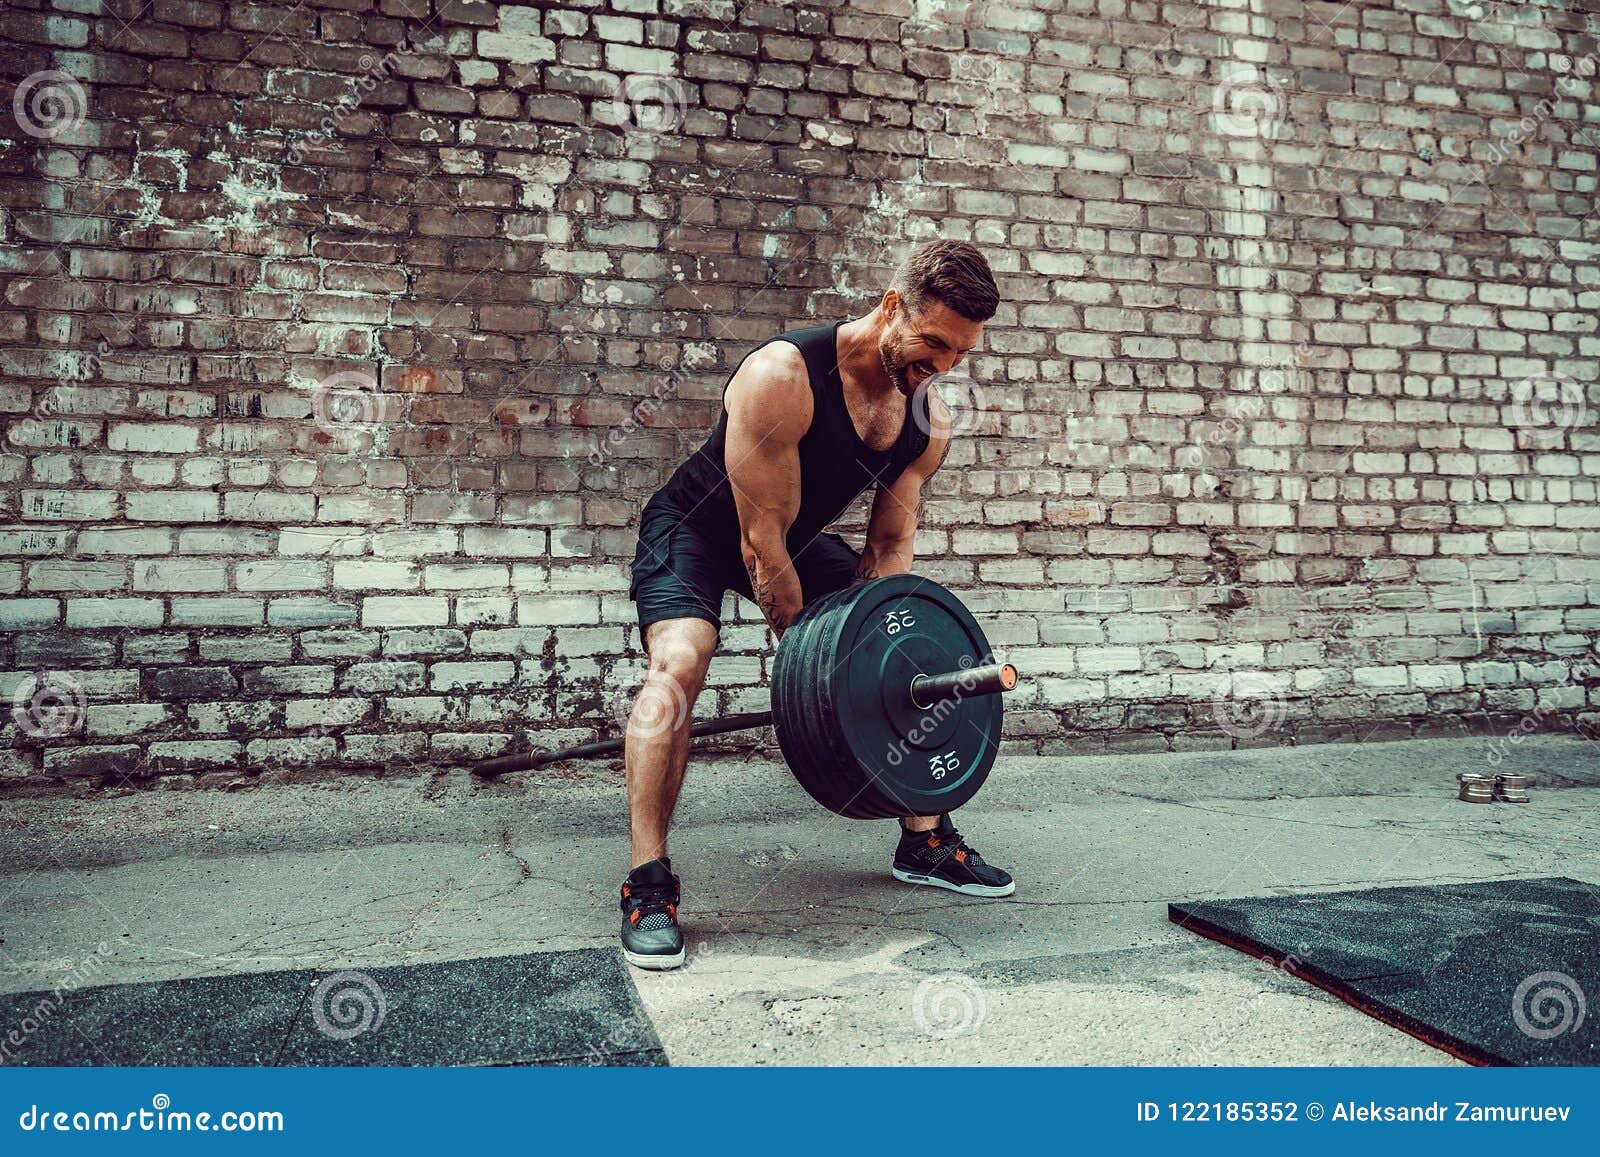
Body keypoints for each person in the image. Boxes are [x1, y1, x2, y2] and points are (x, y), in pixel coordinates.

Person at [619, 240, 1015, 970]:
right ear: (893, 306)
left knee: (891, 645)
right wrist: (814, 673)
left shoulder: (927, 419)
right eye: (932, 342)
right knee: (680, 662)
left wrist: (873, 655)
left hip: (794, 532)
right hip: (700, 525)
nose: (943, 366)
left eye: (960, 353)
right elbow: (758, 543)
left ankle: (925, 838)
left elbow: (892, 544)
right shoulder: (785, 376)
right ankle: (648, 883)